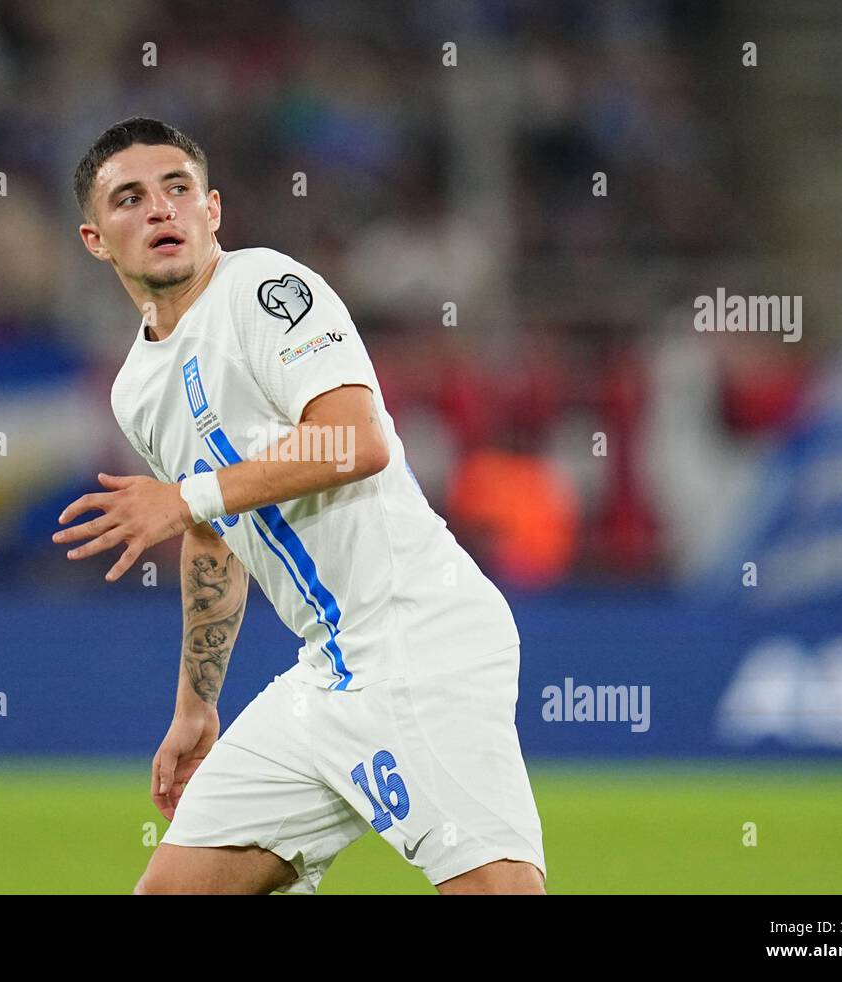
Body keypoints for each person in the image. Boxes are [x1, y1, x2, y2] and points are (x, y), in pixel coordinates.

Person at [55, 117, 546, 894]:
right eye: (130, 198)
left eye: (178, 187)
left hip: (418, 640)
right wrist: (195, 705)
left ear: (212, 209)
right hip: (327, 673)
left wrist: (185, 496)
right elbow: (213, 536)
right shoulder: (136, 390)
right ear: (95, 238)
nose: (160, 209)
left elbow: (354, 440)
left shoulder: (262, 289)